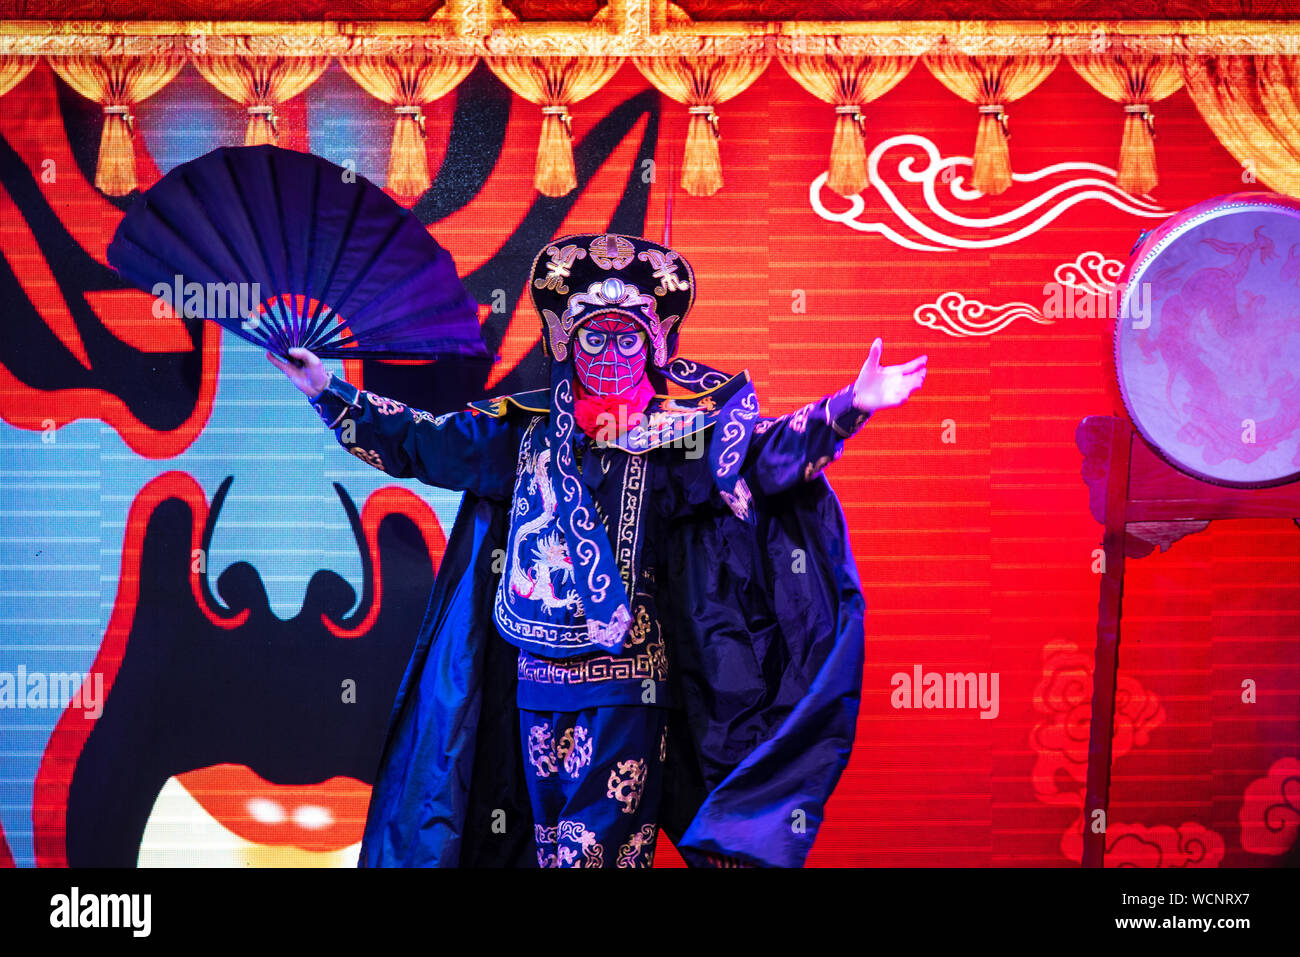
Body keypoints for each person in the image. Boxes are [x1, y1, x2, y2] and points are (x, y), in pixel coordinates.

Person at [269, 232, 926, 867]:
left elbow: (759, 455)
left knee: (598, 856)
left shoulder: (677, 444)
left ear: (651, 349)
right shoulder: (517, 434)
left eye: (626, 336)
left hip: (626, 686)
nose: (608, 350)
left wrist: (849, 407)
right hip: (533, 684)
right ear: (565, 341)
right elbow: (421, 440)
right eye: (593, 334)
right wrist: (329, 390)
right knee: (548, 852)